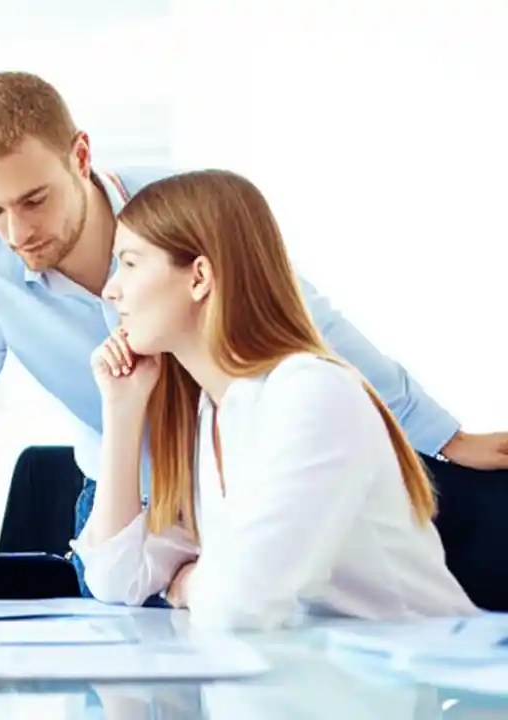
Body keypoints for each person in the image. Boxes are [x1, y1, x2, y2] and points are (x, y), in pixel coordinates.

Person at [0, 71, 508, 616]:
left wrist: (443, 436)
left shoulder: (178, 216)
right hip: (153, 483)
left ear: (80, 156)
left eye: (33, 201)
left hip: (245, 490)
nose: (16, 234)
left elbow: (306, 316)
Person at [75, 169, 477, 628]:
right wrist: (122, 409)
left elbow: (241, 603)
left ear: (199, 277)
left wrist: (186, 584)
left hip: (415, 684)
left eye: (129, 262)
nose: (111, 289)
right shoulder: (211, 414)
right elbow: (113, 579)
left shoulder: (310, 394)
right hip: (313, 680)